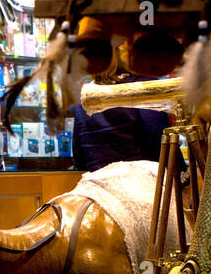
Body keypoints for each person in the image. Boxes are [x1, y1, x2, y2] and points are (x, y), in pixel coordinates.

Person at [70, 27, 183, 171]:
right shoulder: (142, 88)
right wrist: (184, 176)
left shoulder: (84, 98)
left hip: (96, 186)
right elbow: (163, 145)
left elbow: (79, 157)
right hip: (141, 185)